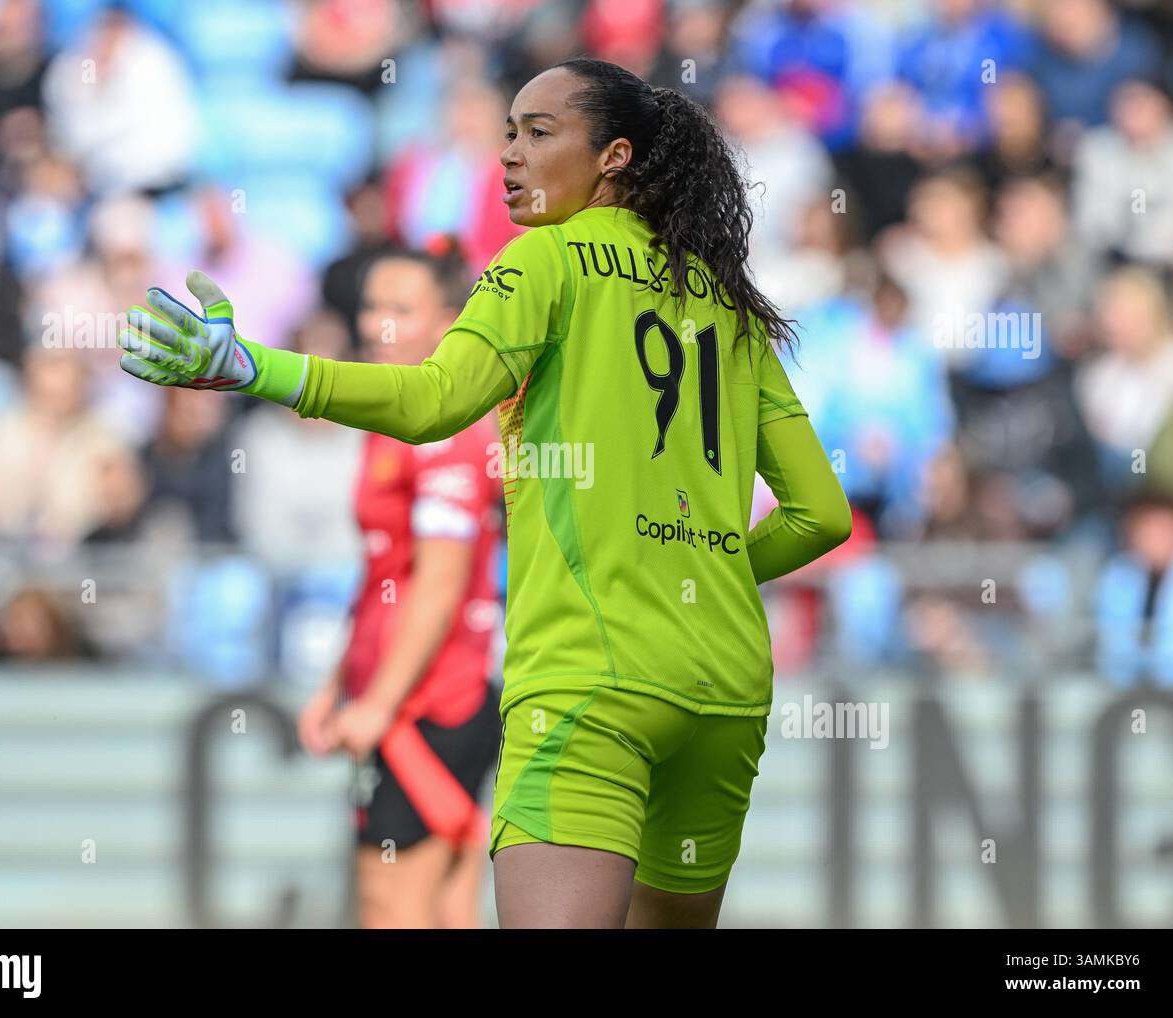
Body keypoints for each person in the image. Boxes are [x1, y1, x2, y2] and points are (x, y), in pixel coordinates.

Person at [116, 58, 851, 929]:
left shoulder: (546, 260)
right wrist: (704, 572)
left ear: (614, 156)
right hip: (725, 686)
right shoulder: (725, 302)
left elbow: (432, 401)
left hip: (593, 678)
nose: (509, 154)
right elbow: (822, 514)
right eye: (508, 131)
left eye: (539, 134)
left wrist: (253, 368)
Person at [296, 246, 504, 928]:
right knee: (448, 907)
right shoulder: (390, 427)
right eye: (371, 307)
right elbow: (384, 574)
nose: (377, 326)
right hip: (403, 696)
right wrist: (338, 684)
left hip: (435, 700)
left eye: (400, 310)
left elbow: (440, 586)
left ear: (447, 325)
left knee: (391, 903)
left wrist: (379, 705)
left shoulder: (446, 434)